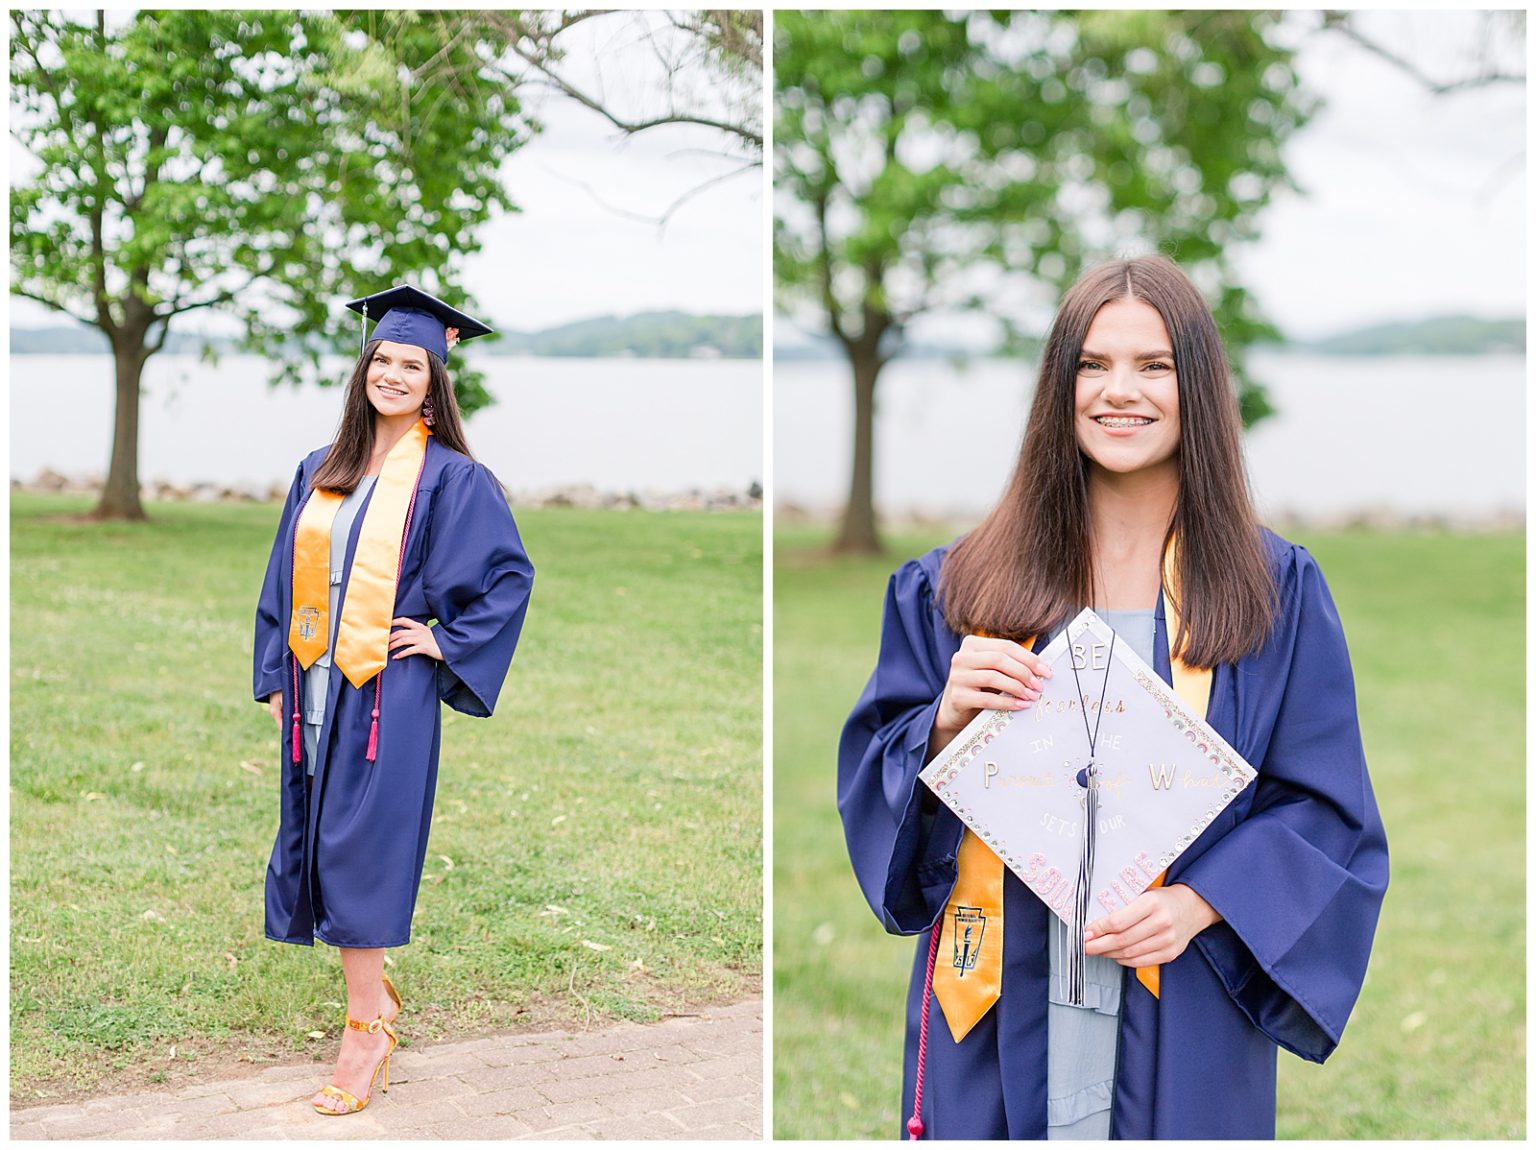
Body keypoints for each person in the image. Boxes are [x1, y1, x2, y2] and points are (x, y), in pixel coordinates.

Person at [838, 255, 1388, 1139]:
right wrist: (944, 719)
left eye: (1153, 365)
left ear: (1197, 387)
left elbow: (1327, 812)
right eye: (1091, 364)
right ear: (1060, 386)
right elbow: (880, 778)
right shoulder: (959, 587)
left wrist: (1199, 903)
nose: (1117, 391)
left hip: (1180, 991)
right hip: (996, 993)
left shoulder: (1270, 591)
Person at [253, 285, 534, 1116]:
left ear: (435, 379)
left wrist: (444, 639)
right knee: (322, 842)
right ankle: (375, 1007)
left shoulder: (453, 479)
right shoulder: (321, 469)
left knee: (361, 850)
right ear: (363, 368)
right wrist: (275, 669)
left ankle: (364, 1032)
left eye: (413, 364)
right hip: (313, 682)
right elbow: (279, 573)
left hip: (385, 695)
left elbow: (507, 577)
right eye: (384, 359)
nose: (395, 374)